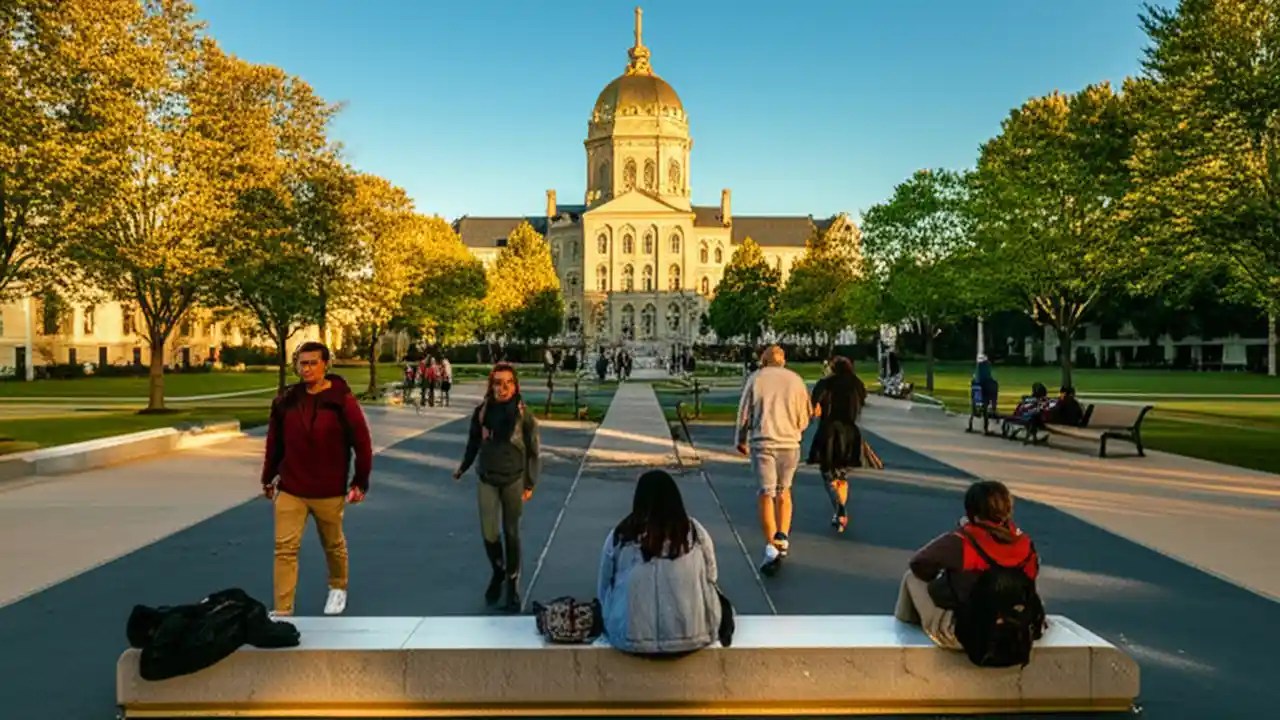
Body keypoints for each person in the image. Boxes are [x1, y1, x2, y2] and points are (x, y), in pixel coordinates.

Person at [260, 341, 373, 617]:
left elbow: (362, 443)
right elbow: (274, 442)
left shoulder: (342, 401)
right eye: (302, 362)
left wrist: (360, 482)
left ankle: (338, 587)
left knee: (333, 543)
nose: (306, 368)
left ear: (325, 365)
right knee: (284, 549)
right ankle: (283, 609)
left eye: (312, 362)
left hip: (328, 489)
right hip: (291, 486)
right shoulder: (287, 400)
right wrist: (268, 476)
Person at [894, 481, 1044, 652]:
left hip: (967, 634)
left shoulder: (962, 541)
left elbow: (919, 564)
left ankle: (903, 634)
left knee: (912, 578)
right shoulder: (1024, 543)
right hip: (1017, 630)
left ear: (971, 510)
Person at [598, 470, 723, 655]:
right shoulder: (694, 532)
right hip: (693, 636)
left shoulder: (622, 535)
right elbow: (711, 576)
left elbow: (603, 586)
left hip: (630, 638)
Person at [453, 363, 541, 612]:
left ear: (515, 386)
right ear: (490, 385)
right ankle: (499, 570)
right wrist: (463, 467)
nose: (502, 388)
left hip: (514, 478)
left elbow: (534, 451)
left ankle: (512, 584)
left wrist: (530, 481)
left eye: (507, 383)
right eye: (497, 383)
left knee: (511, 532)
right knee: (489, 533)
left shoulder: (524, 414)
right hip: (487, 477)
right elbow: (473, 442)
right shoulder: (482, 412)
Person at [735, 345, 811, 575]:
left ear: (763, 360)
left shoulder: (756, 379)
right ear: (783, 360)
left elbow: (744, 412)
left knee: (766, 493)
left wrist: (741, 438)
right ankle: (783, 536)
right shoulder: (796, 380)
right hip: (789, 443)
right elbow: (805, 415)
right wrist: (795, 430)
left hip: (764, 442)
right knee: (784, 490)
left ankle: (771, 544)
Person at [807, 356, 867, 533]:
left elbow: (814, 407)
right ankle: (839, 512)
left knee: (827, 472)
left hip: (830, 431)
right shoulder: (857, 384)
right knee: (842, 474)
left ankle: (839, 508)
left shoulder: (825, 384)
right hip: (850, 432)